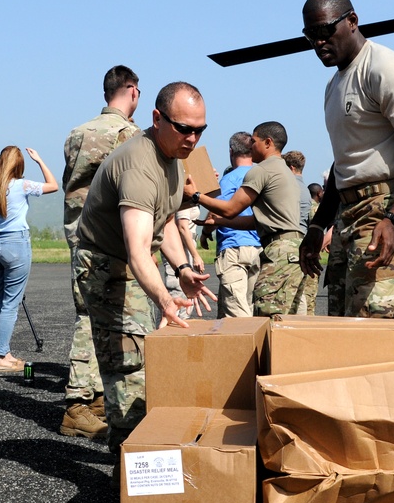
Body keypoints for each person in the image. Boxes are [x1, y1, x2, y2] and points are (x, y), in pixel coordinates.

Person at [75, 81, 215, 455]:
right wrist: (164, 298)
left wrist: (182, 267)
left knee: (141, 359)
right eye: (184, 128)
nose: (192, 138)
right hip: (105, 265)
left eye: (200, 129)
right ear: (157, 118)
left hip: (128, 262)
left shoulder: (173, 159)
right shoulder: (140, 163)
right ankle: (129, 471)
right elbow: (138, 250)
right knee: (128, 366)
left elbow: (163, 221)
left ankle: (136, 458)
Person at [297, 0, 394, 319]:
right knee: (341, 326)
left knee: (373, 328)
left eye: (325, 31)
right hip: (347, 215)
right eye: (310, 36)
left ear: (352, 21)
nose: (318, 43)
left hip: (384, 208)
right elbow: (345, 164)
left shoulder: (385, 68)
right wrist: (318, 226)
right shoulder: (334, 85)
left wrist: (393, 218)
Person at [60, 65, 141, 438]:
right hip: (108, 239)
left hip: (78, 233)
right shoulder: (129, 134)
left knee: (87, 312)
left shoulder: (77, 133)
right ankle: (78, 403)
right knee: (97, 320)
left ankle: (93, 400)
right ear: (132, 92)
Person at [186, 121, 304, 316]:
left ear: (267, 143)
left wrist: (196, 195)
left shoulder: (261, 170)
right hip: (291, 248)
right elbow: (258, 221)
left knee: (265, 315)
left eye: (254, 141)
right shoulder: (285, 171)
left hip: (277, 250)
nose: (250, 146)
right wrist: (218, 222)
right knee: (288, 317)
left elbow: (231, 208)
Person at [0, 147, 58, 370]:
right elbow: (54, 185)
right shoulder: (22, 185)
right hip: (16, 246)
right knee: (11, 304)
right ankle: (0, 357)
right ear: (18, 165)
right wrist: (39, 160)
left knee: (2, 301)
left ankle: (5, 352)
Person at [202, 132, 262, 318]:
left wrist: (205, 232)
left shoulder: (229, 179)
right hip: (259, 248)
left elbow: (218, 210)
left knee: (237, 312)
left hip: (234, 248)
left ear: (231, 151)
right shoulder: (262, 175)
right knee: (251, 307)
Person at [283, 150, 319, 314]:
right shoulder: (305, 190)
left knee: (290, 298)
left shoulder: (290, 188)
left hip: (290, 245)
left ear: (290, 168)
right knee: (302, 296)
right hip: (304, 244)